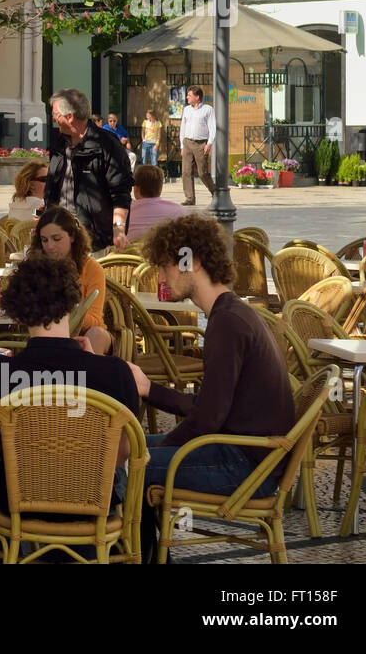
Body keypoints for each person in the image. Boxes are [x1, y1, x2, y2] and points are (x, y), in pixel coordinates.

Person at [129, 214, 295, 562]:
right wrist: (149, 390)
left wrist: (146, 458)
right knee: (129, 448)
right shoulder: (232, 313)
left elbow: (206, 420)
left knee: (127, 466)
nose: (160, 277)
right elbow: (210, 408)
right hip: (244, 453)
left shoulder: (228, 323)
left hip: (246, 467)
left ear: (194, 261)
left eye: (164, 266)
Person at [0, 253, 141, 518]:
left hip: (18, 503)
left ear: (17, 310)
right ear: (74, 302)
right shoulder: (114, 372)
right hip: (94, 501)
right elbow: (123, 452)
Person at [43, 88, 132, 250]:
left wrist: (118, 229)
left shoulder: (106, 145)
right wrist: (41, 216)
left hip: (93, 238)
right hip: (57, 234)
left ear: (70, 117)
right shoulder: (59, 143)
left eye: (56, 114)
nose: (54, 119)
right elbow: (52, 188)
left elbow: (120, 192)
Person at [31, 205, 112, 355]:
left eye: (56, 239)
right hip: (48, 334)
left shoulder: (92, 269)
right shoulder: (37, 267)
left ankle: (87, 377)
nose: (50, 246)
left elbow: (94, 319)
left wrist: (64, 312)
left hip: (87, 333)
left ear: (73, 236)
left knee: (96, 334)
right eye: (44, 240)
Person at [178, 85, 217, 206]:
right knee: (186, 171)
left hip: (201, 144)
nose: (187, 97)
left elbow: (213, 127)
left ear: (197, 97)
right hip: (187, 143)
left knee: (202, 173)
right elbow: (182, 127)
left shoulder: (208, 109)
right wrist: (182, 145)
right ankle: (190, 198)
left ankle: (215, 193)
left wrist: (209, 143)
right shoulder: (186, 110)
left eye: (189, 95)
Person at [126, 165, 185, 242]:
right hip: (164, 252)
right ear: (160, 188)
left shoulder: (124, 212)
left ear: (136, 188)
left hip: (129, 253)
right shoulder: (178, 211)